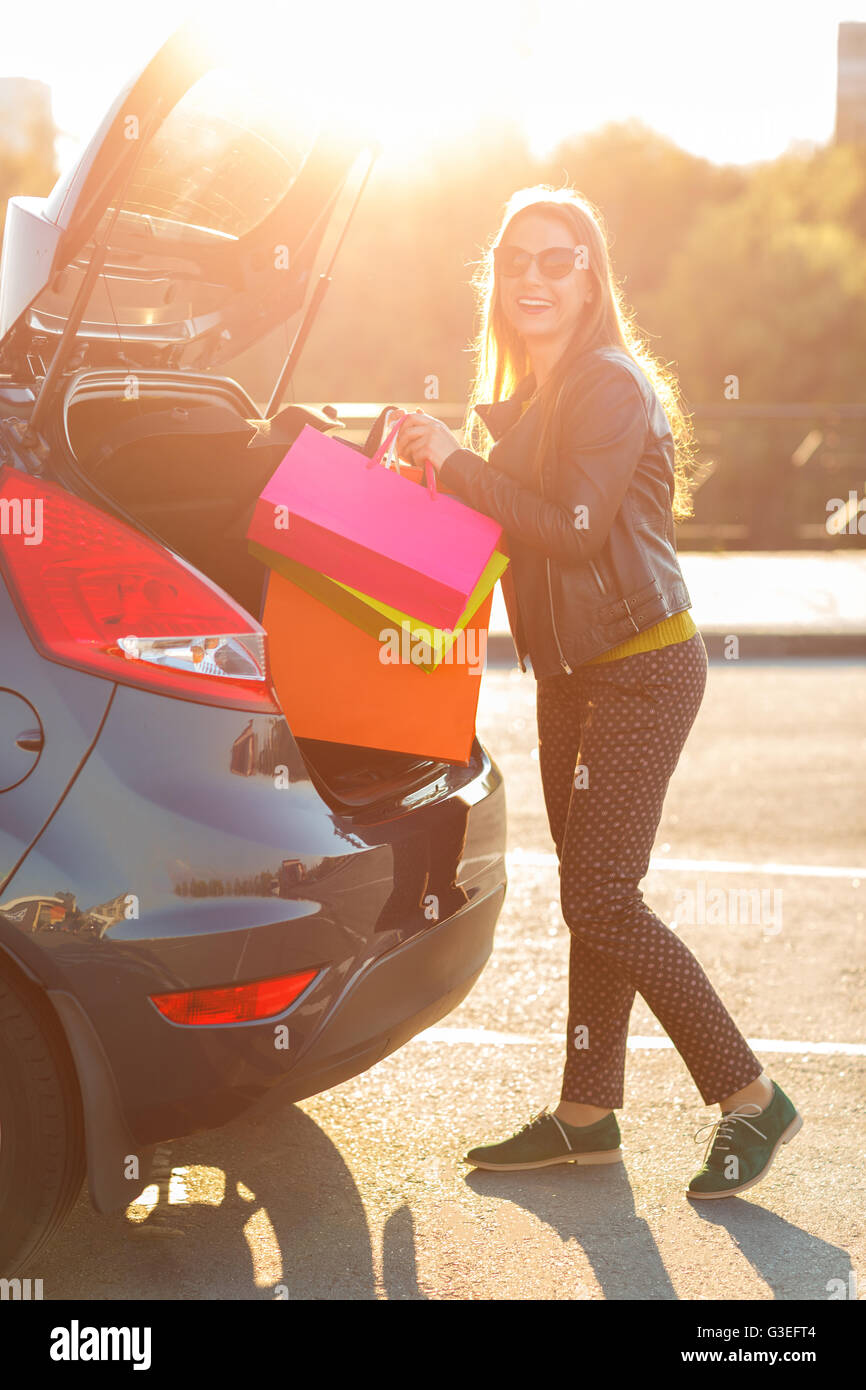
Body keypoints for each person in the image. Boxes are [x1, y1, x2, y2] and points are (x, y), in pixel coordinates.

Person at [394, 185, 802, 1199]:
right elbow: (507, 528)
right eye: (514, 258)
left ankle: (749, 1096)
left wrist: (456, 462)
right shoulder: (537, 392)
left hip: (640, 666)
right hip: (573, 673)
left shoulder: (608, 383)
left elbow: (571, 522)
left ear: (589, 278)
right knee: (595, 900)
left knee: (600, 900)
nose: (531, 276)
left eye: (555, 258)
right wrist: (421, 473)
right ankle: (585, 1113)